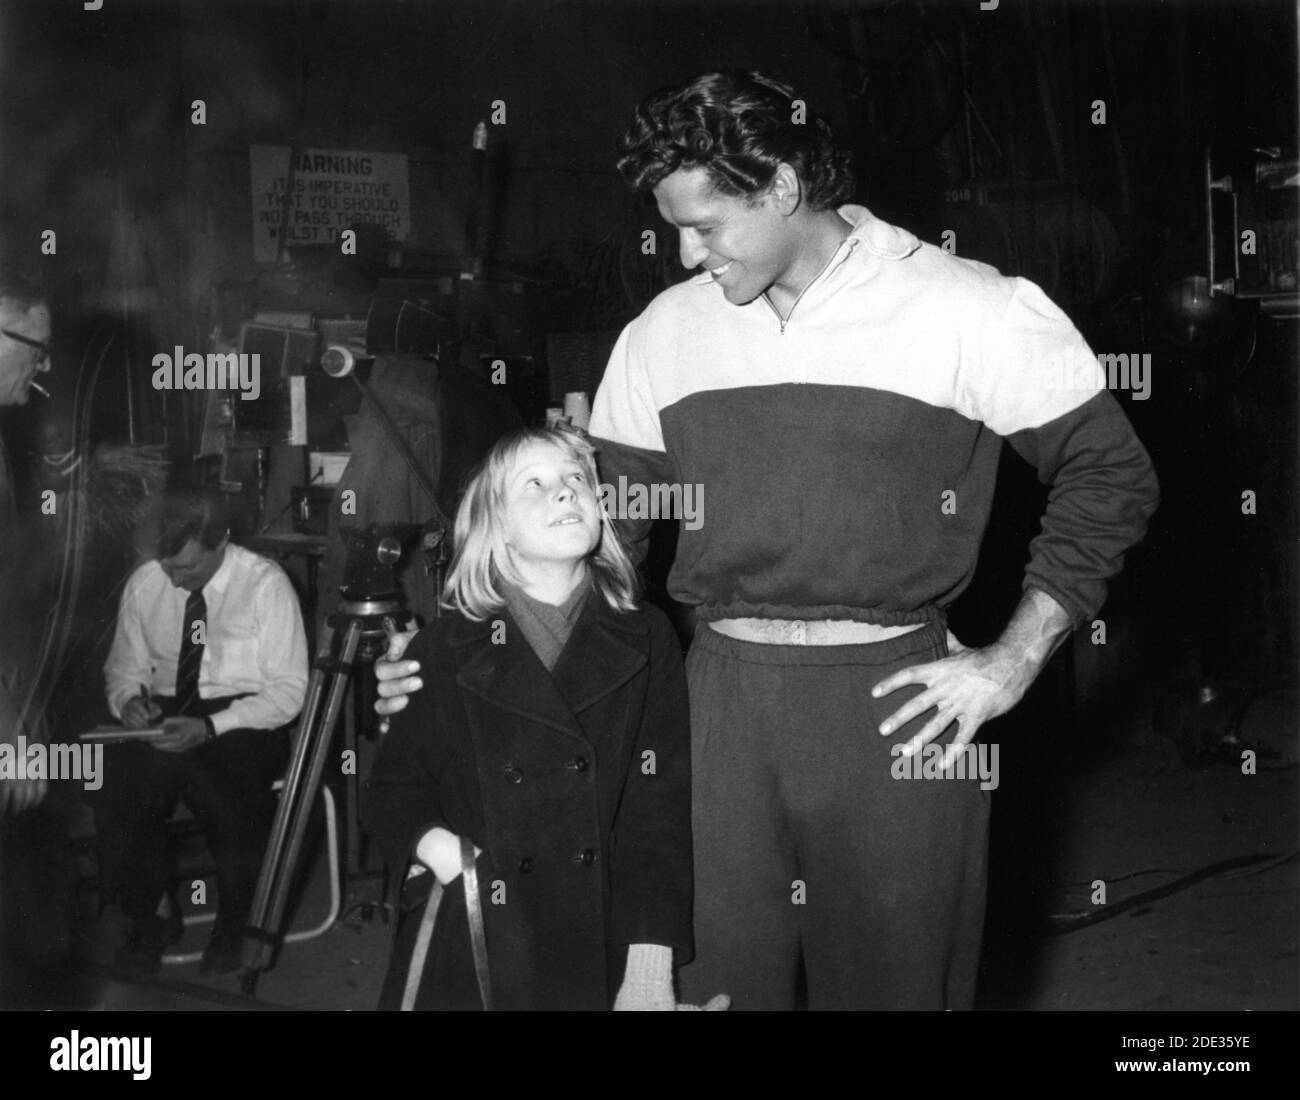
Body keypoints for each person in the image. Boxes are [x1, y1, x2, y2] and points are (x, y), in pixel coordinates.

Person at [376, 70, 1160, 1010]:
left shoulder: (970, 306)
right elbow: (597, 533)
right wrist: (465, 650)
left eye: (704, 226)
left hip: (898, 714)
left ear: (784, 186)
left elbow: (1112, 473)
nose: (683, 254)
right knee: (693, 990)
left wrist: (1016, 657)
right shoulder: (664, 332)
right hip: (711, 712)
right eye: (672, 227)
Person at [366, 426, 721, 1011]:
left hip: (597, 930)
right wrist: (443, 856)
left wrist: (650, 975)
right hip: (476, 926)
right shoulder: (442, 648)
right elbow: (393, 789)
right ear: (494, 523)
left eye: (577, 479)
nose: (565, 492)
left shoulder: (646, 635)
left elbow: (654, 818)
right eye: (535, 484)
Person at [95, 488, 308, 974]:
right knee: (115, 786)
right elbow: (125, 667)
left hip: (246, 715)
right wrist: (129, 701)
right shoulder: (148, 579)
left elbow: (289, 691)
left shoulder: (264, 584)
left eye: (186, 569)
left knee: (228, 795)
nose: (172, 580)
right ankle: (152, 914)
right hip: (168, 710)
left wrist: (211, 727)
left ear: (223, 541)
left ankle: (234, 923)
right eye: (166, 567)